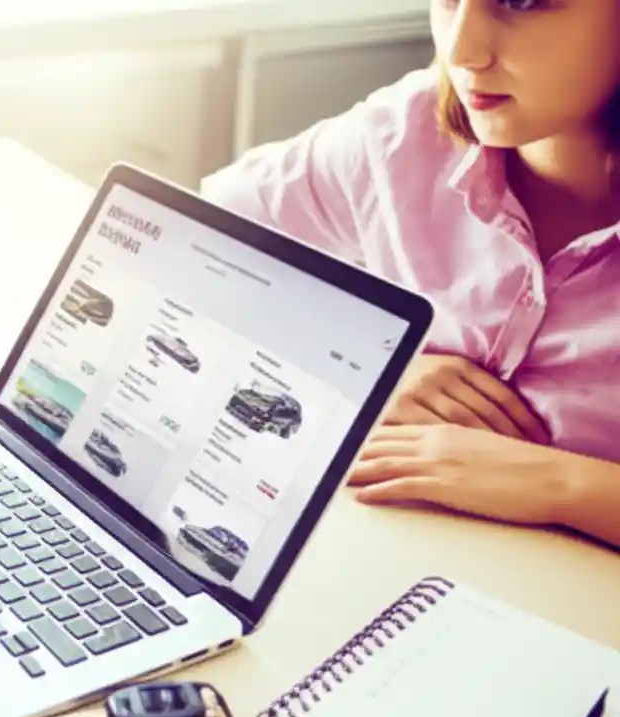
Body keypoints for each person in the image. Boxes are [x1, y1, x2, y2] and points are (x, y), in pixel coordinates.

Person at [201, 0, 620, 547]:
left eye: (520, 2)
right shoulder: (402, 134)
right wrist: (367, 362)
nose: (461, 49)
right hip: (387, 558)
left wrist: (564, 484)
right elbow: (202, 244)